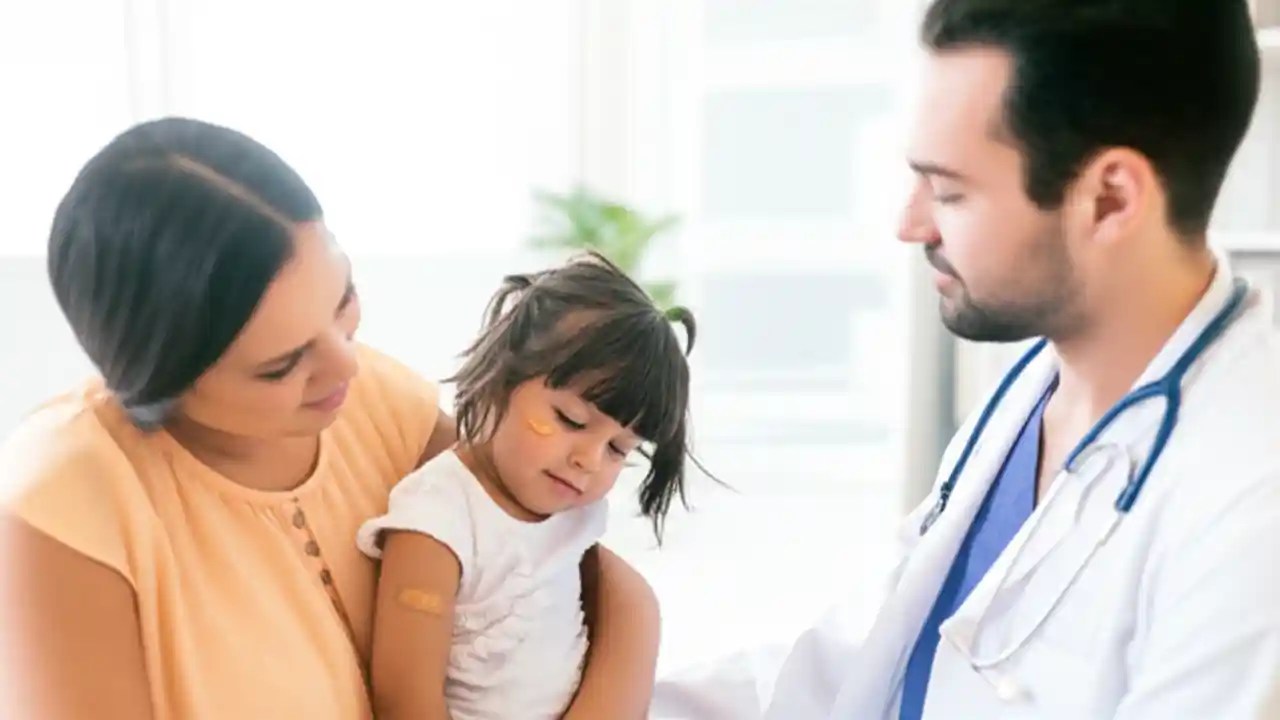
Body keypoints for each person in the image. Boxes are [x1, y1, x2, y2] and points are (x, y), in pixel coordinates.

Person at [653, 1, 1280, 717]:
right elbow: (858, 664)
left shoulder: (1252, 507)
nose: (909, 223)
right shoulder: (1034, 391)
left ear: (1109, 199)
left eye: (949, 190)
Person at [0, 117, 660, 720]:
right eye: (282, 364)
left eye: (342, 299)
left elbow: (601, 588)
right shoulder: (66, 510)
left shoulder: (374, 400)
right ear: (153, 376)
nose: (345, 367)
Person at [357, 252, 697, 719]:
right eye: (571, 420)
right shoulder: (437, 520)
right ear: (502, 378)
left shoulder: (570, 509)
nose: (589, 460)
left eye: (619, 449)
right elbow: (403, 700)